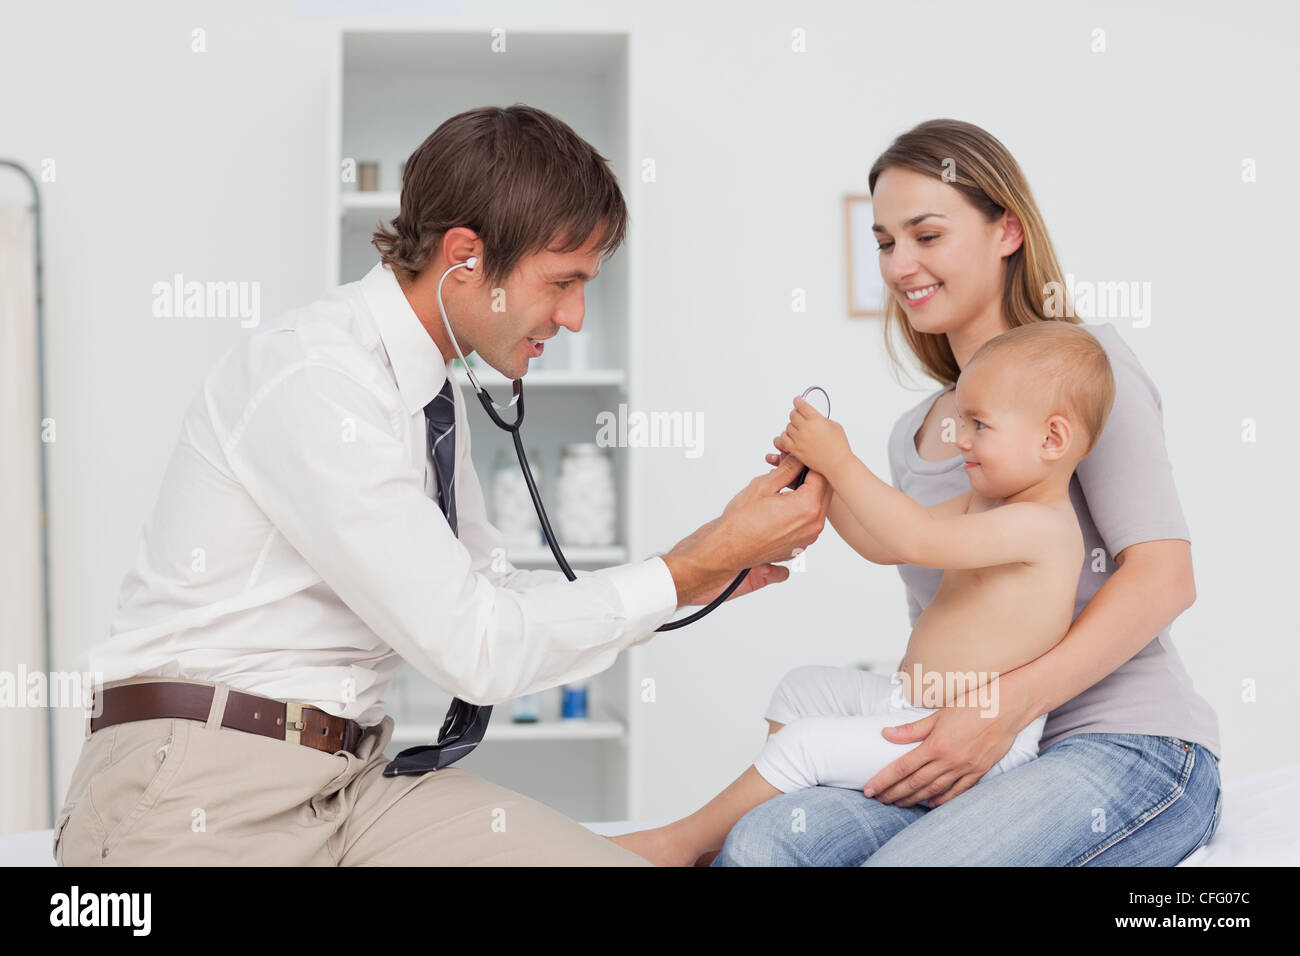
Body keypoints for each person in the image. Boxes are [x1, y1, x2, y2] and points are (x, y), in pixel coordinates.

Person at [53, 104, 831, 867]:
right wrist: (682, 572)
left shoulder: (430, 392)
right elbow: (475, 650)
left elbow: (487, 596)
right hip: (205, 777)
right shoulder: (318, 378)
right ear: (465, 255)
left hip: (350, 783)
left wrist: (692, 569)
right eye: (562, 282)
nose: (576, 316)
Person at [714, 118, 1222, 867]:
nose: (900, 264)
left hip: (1122, 743)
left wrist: (1004, 708)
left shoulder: (1084, 374)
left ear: (1006, 231)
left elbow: (1164, 579)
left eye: (926, 234)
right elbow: (939, 590)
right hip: (974, 751)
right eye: (886, 242)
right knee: (761, 844)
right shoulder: (913, 434)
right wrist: (822, 482)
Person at [611, 323, 1114, 865]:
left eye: (980, 425)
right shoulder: (985, 503)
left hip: (975, 742)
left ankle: (679, 845)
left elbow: (915, 538)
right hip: (915, 703)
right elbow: (883, 544)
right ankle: (775, 811)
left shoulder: (1044, 528)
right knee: (800, 691)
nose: (960, 439)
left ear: (1052, 439)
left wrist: (843, 460)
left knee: (804, 745)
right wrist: (823, 485)